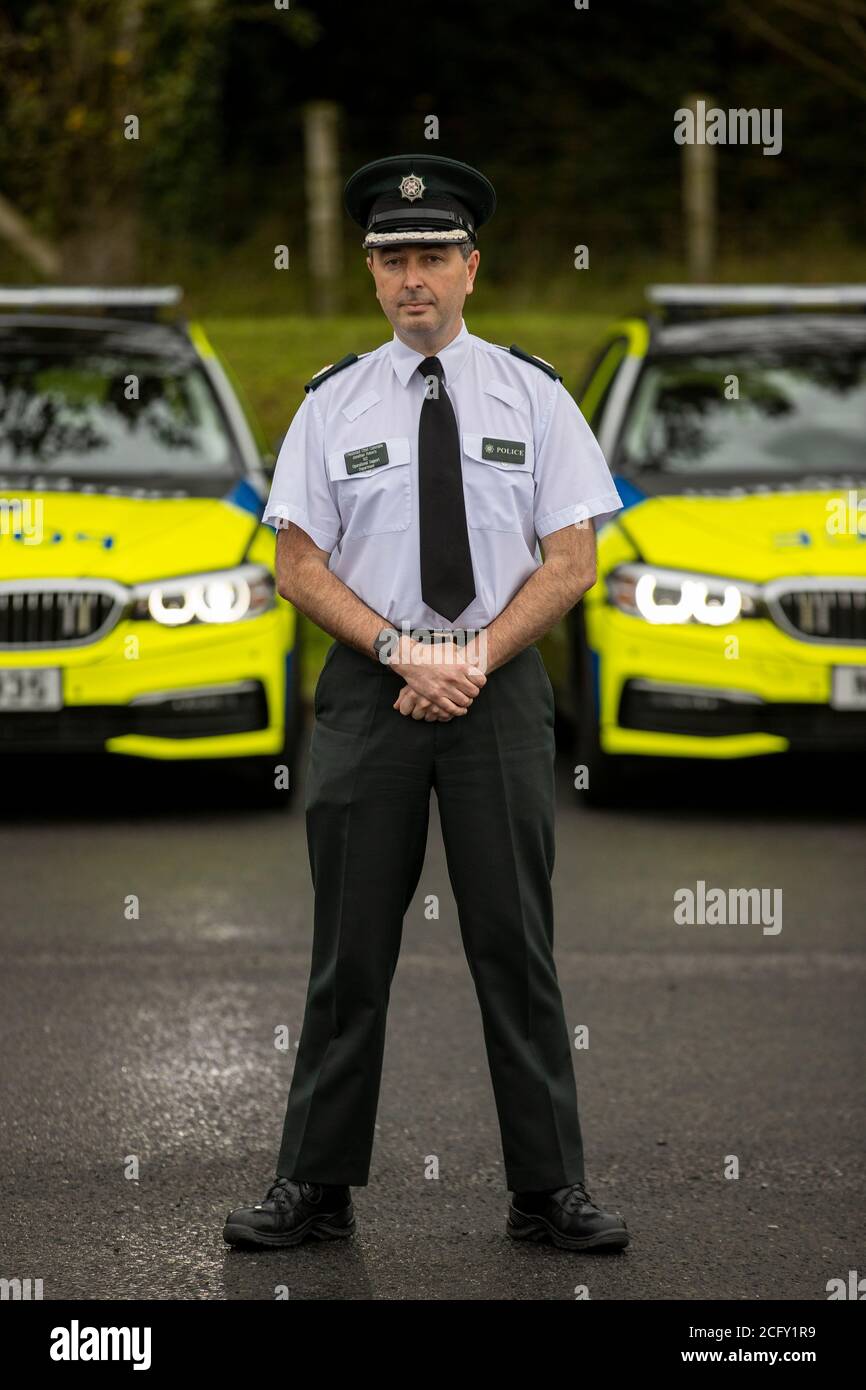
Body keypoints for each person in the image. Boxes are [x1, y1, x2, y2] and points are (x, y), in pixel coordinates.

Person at [223, 153, 629, 1253]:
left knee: (515, 944)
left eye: (432, 257)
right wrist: (405, 650)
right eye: (392, 258)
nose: (413, 278)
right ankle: (312, 1184)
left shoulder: (533, 395)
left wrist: (474, 655)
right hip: (369, 688)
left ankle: (547, 1191)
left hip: (495, 690)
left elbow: (572, 556)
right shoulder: (330, 403)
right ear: (369, 273)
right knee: (349, 949)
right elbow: (298, 565)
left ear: (470, 267)